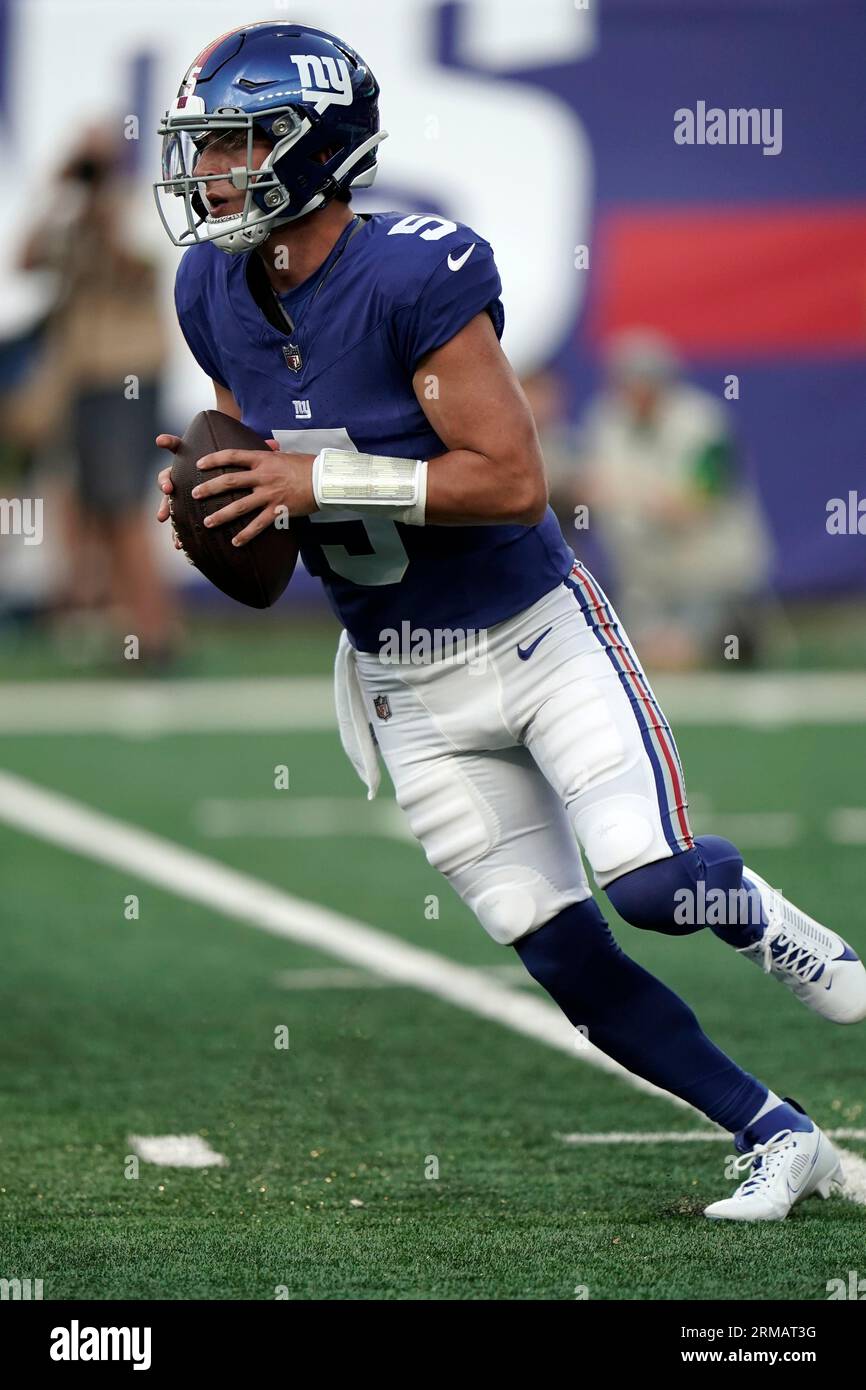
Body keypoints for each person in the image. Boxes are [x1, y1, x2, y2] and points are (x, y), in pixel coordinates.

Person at [153, 22, 865, 1221]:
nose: (209, 169)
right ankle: (776, 1133)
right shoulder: (210, 286)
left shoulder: (412, 273)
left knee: (647, 884)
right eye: (203, 145)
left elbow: (509, 477)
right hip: (400, 678)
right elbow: (262, 497)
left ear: (312, 144)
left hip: (532, 630)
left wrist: (314, 485)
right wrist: (225, 504)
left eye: (233, 141)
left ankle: (773, 927)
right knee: (561, 956)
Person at [575, 330, 770, 668]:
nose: (637, 392)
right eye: (629, 382)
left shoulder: (706, 425)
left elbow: (691, 505)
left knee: (682, 655)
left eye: (647, 381)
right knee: (623, 659)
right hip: (643, 582)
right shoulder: (604, 421)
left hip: (712, 579)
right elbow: (587, 489)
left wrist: (626, 493)